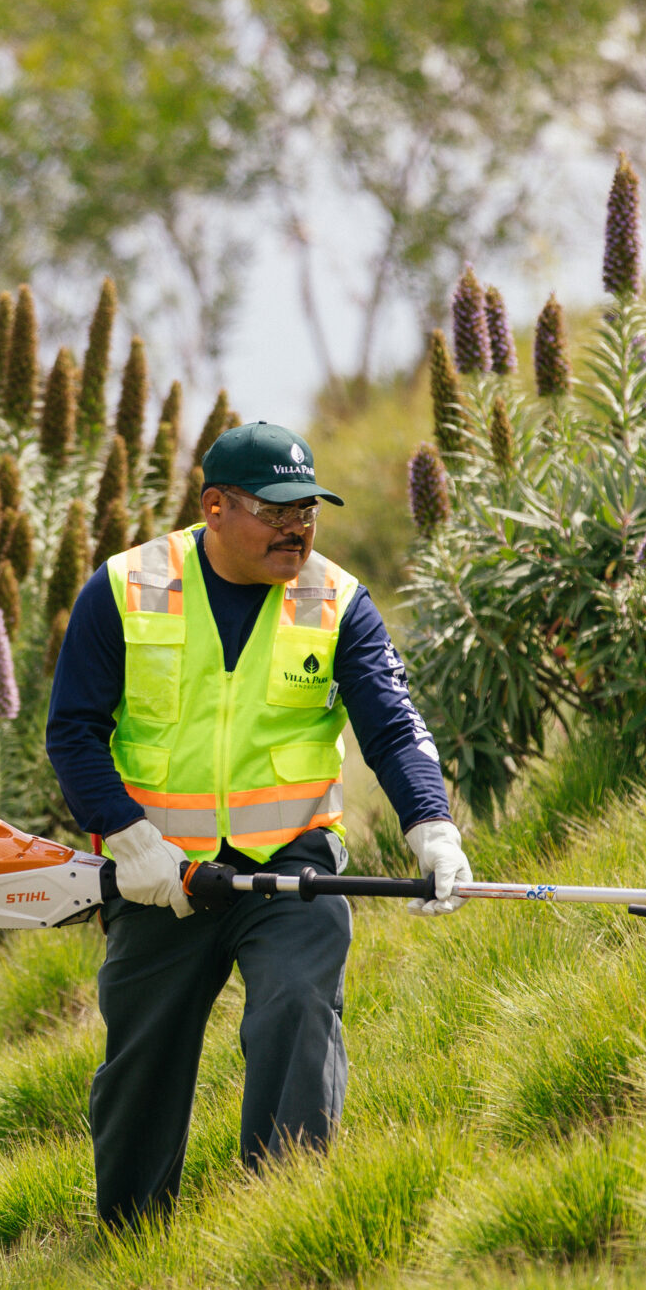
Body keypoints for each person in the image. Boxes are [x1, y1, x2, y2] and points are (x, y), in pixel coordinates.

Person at [46, 420, 472, 1227]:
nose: (297, 525)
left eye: (308, 506)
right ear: (215, 506)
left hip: (293, 865)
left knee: (298, 1005)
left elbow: (394, 725)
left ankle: (284, 1216)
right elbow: (72, 730)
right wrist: (130, 840)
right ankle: (133, 1236)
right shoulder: (124, 588)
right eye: (276, 508)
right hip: (159, 876)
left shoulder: (339, 602)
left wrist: (433, 828)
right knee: (142, 1063)